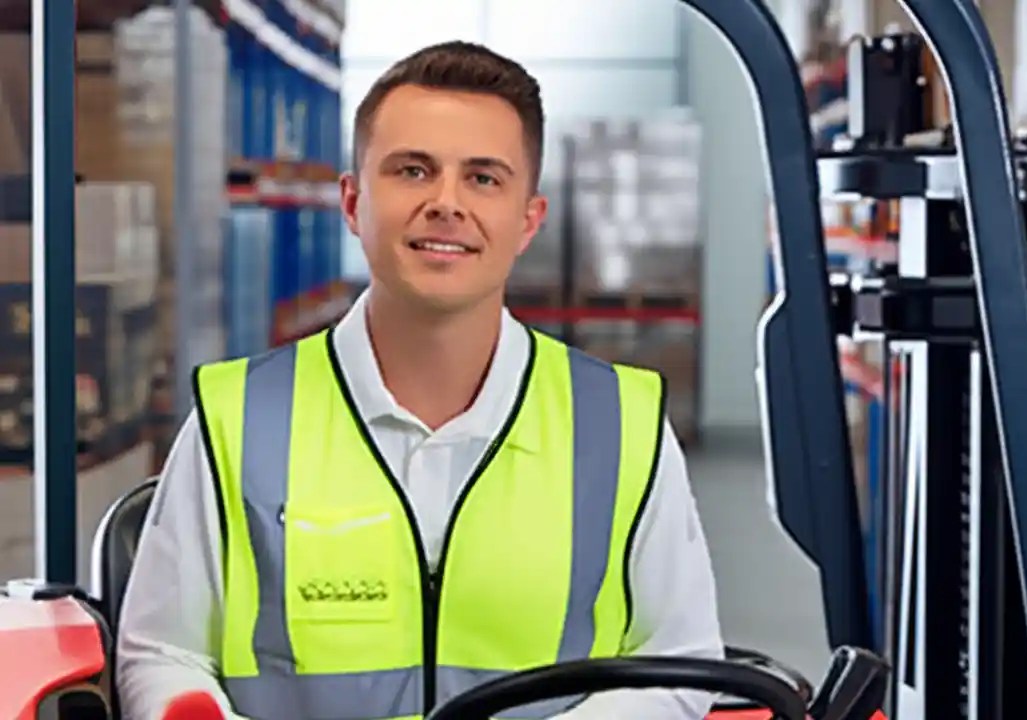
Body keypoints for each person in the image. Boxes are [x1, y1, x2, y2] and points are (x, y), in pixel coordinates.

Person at [115, 40, 724, 719]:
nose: (446, 203)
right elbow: (161, 654)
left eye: (484, 178)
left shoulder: (623, 426)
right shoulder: (238, 419)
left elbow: (682, 667)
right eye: (412, 171)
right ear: (352, 202)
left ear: (528, 220)